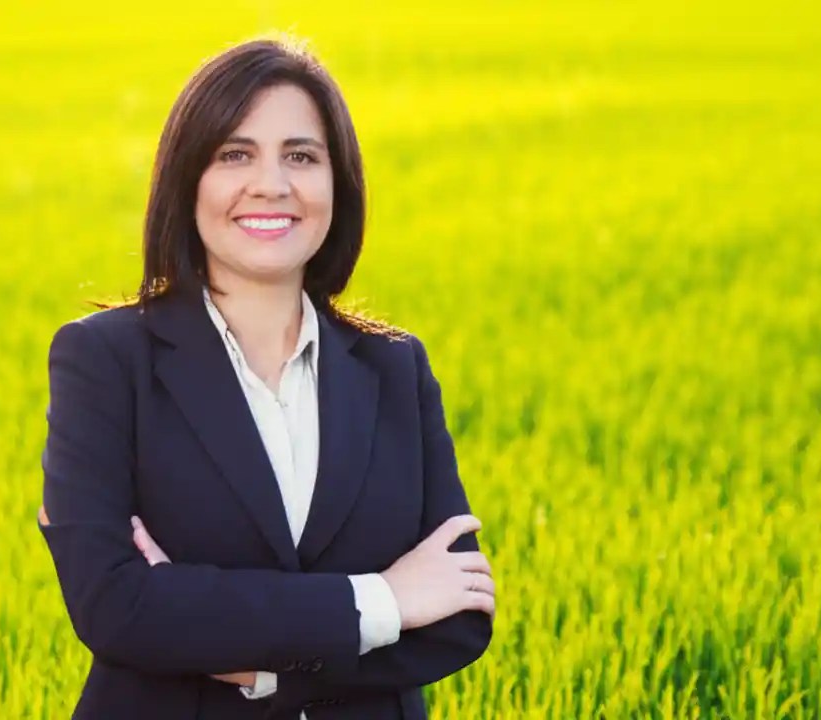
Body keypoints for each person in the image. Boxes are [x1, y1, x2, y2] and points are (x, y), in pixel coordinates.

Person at [36, 35, 495, 720]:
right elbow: (116, 606)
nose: (272, 184)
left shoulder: (396, 367)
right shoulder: (104, 361)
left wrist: (240, 653)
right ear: (187, 178)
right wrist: (384, 601)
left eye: (302, 156)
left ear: (337, 182)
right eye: (235, 154)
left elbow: (459, 617)